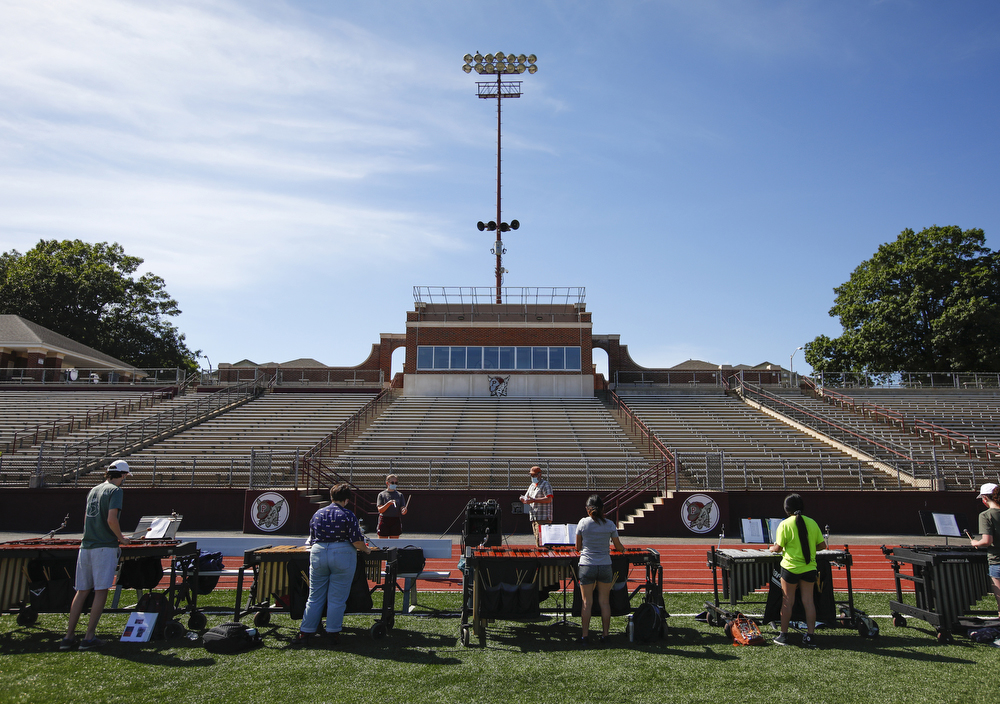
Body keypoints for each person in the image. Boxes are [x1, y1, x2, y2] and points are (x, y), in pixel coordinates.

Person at [61, 459, 132, 651]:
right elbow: (111, 520)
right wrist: (121, 538)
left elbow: (88, 519)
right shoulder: (116, 491)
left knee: (82, 591)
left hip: (86, 546)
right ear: (123, 475)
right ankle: (89, 636)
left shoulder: (94, 490)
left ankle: (68, 637)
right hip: (104, 547)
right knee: (100, 591)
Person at [293, 483, 375, 648]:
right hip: (342, 553)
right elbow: (356, 541)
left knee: (314, 597)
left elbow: (312, 538)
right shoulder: (348, 514)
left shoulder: (317, 513)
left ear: (331, 497)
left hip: (318, 552)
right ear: (346, 500)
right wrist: (366, 550)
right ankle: (333, 633)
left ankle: (305, 632)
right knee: (337, 598)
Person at [768, 493, 826, 648]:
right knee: (809, 601)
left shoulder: (785, 524)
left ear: (787, 509)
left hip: (790, 568)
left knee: (787, 601)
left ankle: (783, 635)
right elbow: (822, 546)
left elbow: (778, 548)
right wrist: (809, 547)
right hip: (809, 567)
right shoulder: (812, 522)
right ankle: (810, 636)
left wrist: (771, 548)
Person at [575, 494, 624, 645]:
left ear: (587, 509)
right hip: (604, 565)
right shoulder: (610, 524)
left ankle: (585, 637)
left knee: (586, 603)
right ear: (603, 509)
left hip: (587, 565)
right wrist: (622, 549)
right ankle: (605, 635)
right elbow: (618, 546)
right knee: (604, 602)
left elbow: (577, 547)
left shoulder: (583, 522)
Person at [969, 482, 1000, 617]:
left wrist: (976, 542)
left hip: (997, 560)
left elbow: (987, 541)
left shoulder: (986, 515)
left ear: (985, 498)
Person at [520, 465, 553, 546]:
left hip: (543, 518)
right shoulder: (532, 485)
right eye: (531, 475)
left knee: (542, 541)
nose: (532, 477)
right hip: (534, 517)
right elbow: (527, 497)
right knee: (537, 541)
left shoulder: (545, 484)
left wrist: (534, 500)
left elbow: (549, 499)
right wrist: (523, 499)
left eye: (534, 475)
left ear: (539, 474)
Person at [376, 474, 408, 539]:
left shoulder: (399, 495)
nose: (394, 484)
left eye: (396, 483)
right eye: (392, 482)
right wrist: (388, 504)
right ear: (387, 483)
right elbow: (380, 510)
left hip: (395, 519)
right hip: (384, 519)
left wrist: (404, 510)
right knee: (382, 542)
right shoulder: (382, 494)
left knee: (394, 542)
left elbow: (402, 507)